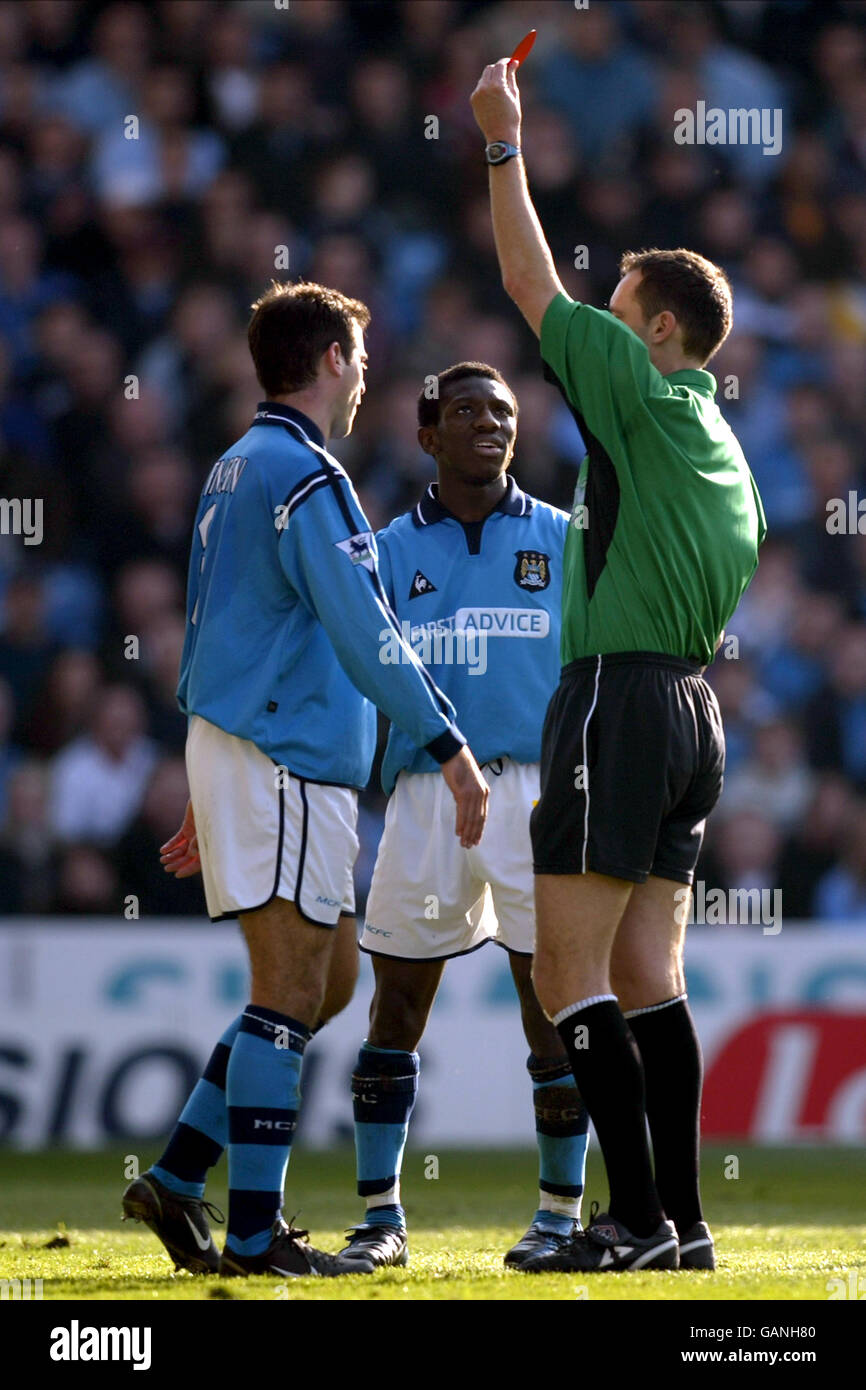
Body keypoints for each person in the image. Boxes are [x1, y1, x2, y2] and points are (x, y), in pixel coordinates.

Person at [122, 281, 488, 1278]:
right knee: (288, 989)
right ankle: (255, 1234)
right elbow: (364, 635)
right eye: (358, 356)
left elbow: (216, 628)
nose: (365, 373)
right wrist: (447, 743)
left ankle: (179, 1174)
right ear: (331, 359)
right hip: (281, 754)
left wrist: (213, 769)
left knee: (324, 985)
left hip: (254, 748)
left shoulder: (234, 468)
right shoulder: (305, 477)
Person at [469, 60, 766, 1273]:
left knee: (565, 969)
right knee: (650, 971)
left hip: (614, 694)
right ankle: (684, 1226)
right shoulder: (722, 448)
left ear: (652, 331)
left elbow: (525, 281)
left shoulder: (635, 395)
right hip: (692, 711)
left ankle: (631, 1217)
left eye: (620, 296)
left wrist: (500, 139)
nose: (600, 307)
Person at [335, 362, 589, 1274]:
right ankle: (380, 1220)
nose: (491, 423)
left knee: (550, 1009)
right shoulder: (386, 551)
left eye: (505, 413)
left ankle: (559, 1217)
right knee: (395, 1007)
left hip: (533, 797)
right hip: (422, 796)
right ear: (428, 434)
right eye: (469, 411)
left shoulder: (563, 541)